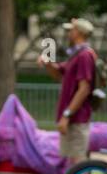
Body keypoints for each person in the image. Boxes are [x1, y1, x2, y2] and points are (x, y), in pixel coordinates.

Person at [39, 17, 97, 163]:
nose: (69, 33)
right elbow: (59, 74)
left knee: (79, 159)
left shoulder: (85, 55)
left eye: (71, 30)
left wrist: (67, 114)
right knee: (72, 159)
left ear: (79, 32)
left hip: (77, 117)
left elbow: (84, 89)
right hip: (71, 118)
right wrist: (47, 64)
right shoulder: (75, 55)